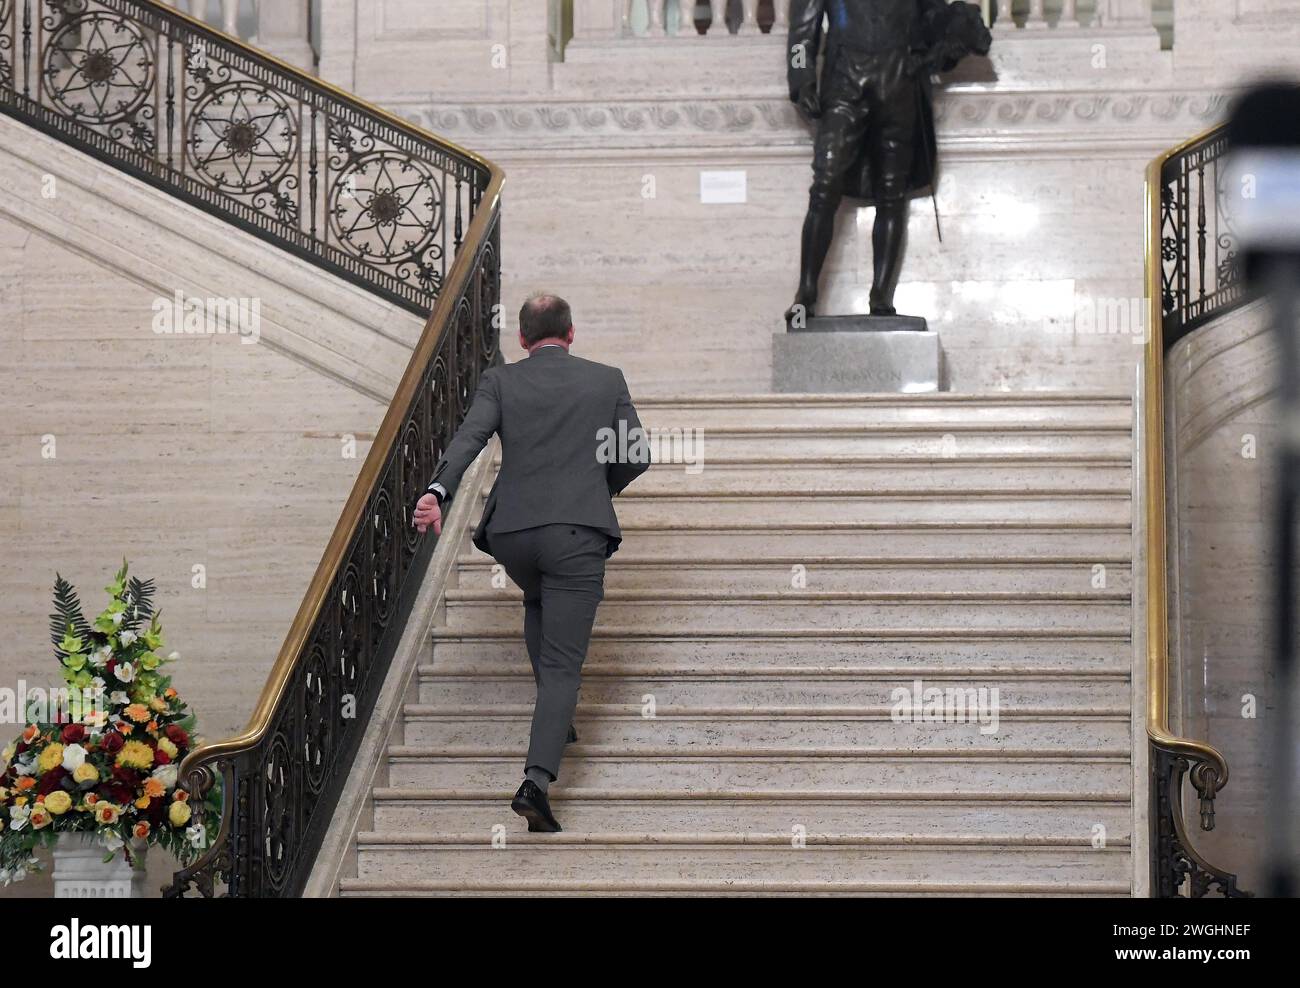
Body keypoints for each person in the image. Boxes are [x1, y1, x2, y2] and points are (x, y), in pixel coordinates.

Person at [411, 292, 650, 832]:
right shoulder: (606, 379)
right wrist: (592, 492)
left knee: (539, 597)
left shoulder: (502, 381)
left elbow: (470, 436)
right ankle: (535, 782)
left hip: (514, 535)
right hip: (574, 533)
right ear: (571, 333)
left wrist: (438, 490)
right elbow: (636, 455)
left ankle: (553, 717)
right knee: (564, 664)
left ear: (521, 339)